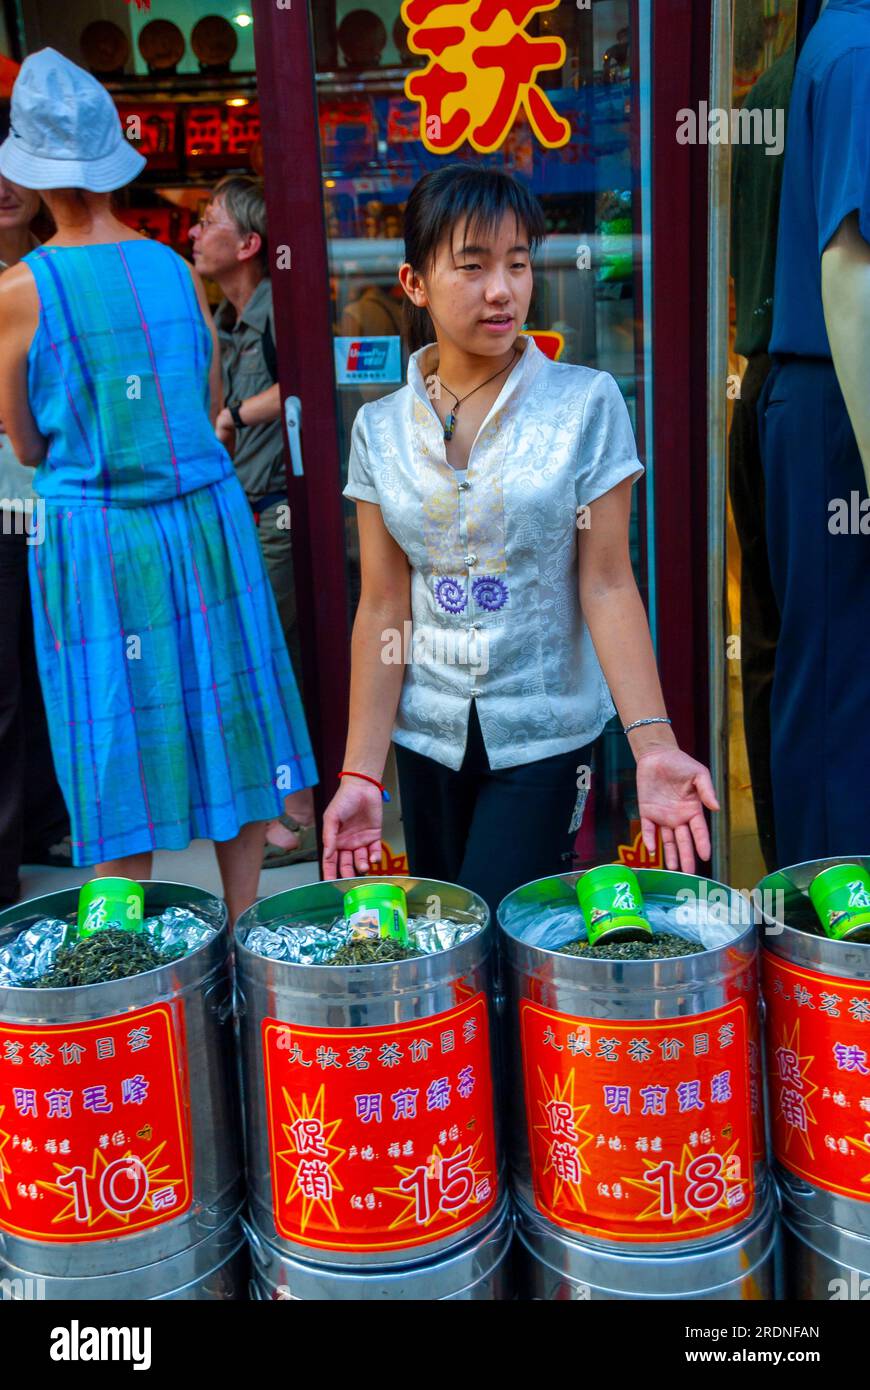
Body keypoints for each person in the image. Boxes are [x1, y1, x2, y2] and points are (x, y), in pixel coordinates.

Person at [321, 165, 718, 914]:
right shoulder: (378, 430)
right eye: (471, 265)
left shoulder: (585, 404)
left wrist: (653, 746)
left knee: (503, 923)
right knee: (449, 938)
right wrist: (360, 773)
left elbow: (606, 582)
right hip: (426, 737)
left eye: (518, 262)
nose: (501, 289)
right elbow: (381, 606)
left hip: (544, 732)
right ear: (414, 282)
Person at [0, 49, 317, 924]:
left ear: (31, 173)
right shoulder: (175, 273)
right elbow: (210, 402)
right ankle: (249, 922)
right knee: (231, 716)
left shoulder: (21, 290)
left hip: (98, 538)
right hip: (207, 523)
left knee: (113, 737)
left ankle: (125, 948)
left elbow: (25, 441)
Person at [189, 174, 315, 868]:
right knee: (272, 654)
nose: (195, 234)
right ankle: (290, 808)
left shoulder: (277, 311)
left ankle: (300, 815)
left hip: (284, 514)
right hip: (251, 510)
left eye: (208, 223)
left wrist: (237, 414)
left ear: (249, 243)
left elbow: (308, 377)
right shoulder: (234, 319)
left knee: (268, 658)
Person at [0, 169, 71, 908]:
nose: (2, 187)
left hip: (53, 509)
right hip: (2, 506)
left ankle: (46, 824)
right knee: (4, 690)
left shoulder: (54, 273)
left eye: (15, 170)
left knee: (50, 671)